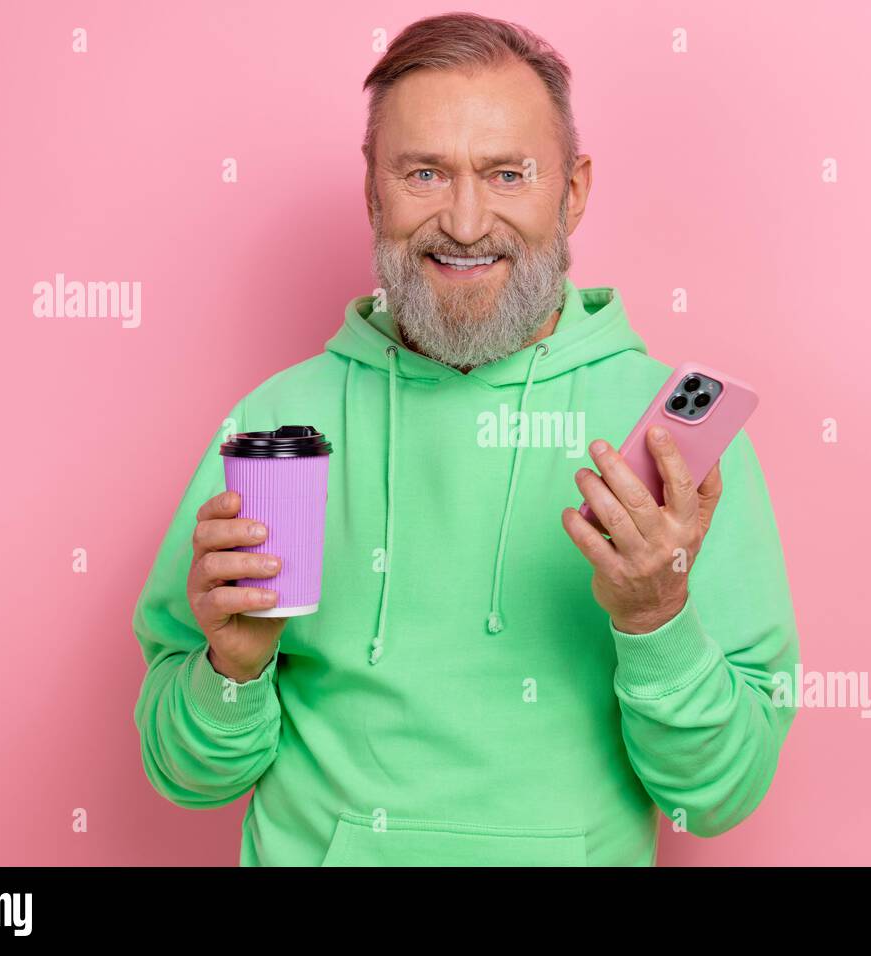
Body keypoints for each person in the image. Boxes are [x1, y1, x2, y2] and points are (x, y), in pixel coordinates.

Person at [132, 11, 800, 866]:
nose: (466, 220)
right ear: (374, 190)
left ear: (575, 191)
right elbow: (187, 776)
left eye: (508, 173)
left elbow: (719, 796)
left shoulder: (668, 447)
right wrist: (233, 668)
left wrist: (655, 618)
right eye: (424, 173)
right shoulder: (275, 429)